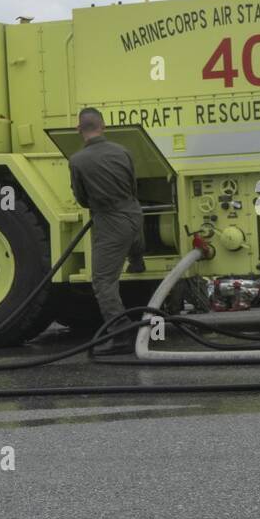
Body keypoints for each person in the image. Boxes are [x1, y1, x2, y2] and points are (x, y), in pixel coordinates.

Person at [68, 107, 147, 353]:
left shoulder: (77, 161)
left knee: (103, 282)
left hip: (111, 221)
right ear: (103, 127)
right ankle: (137, 261)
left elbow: (81, 198)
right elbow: (133, 185)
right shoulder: (123, 151)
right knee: (133, 241)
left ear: (79, 130)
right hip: (135, 214)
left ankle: (121, 333)